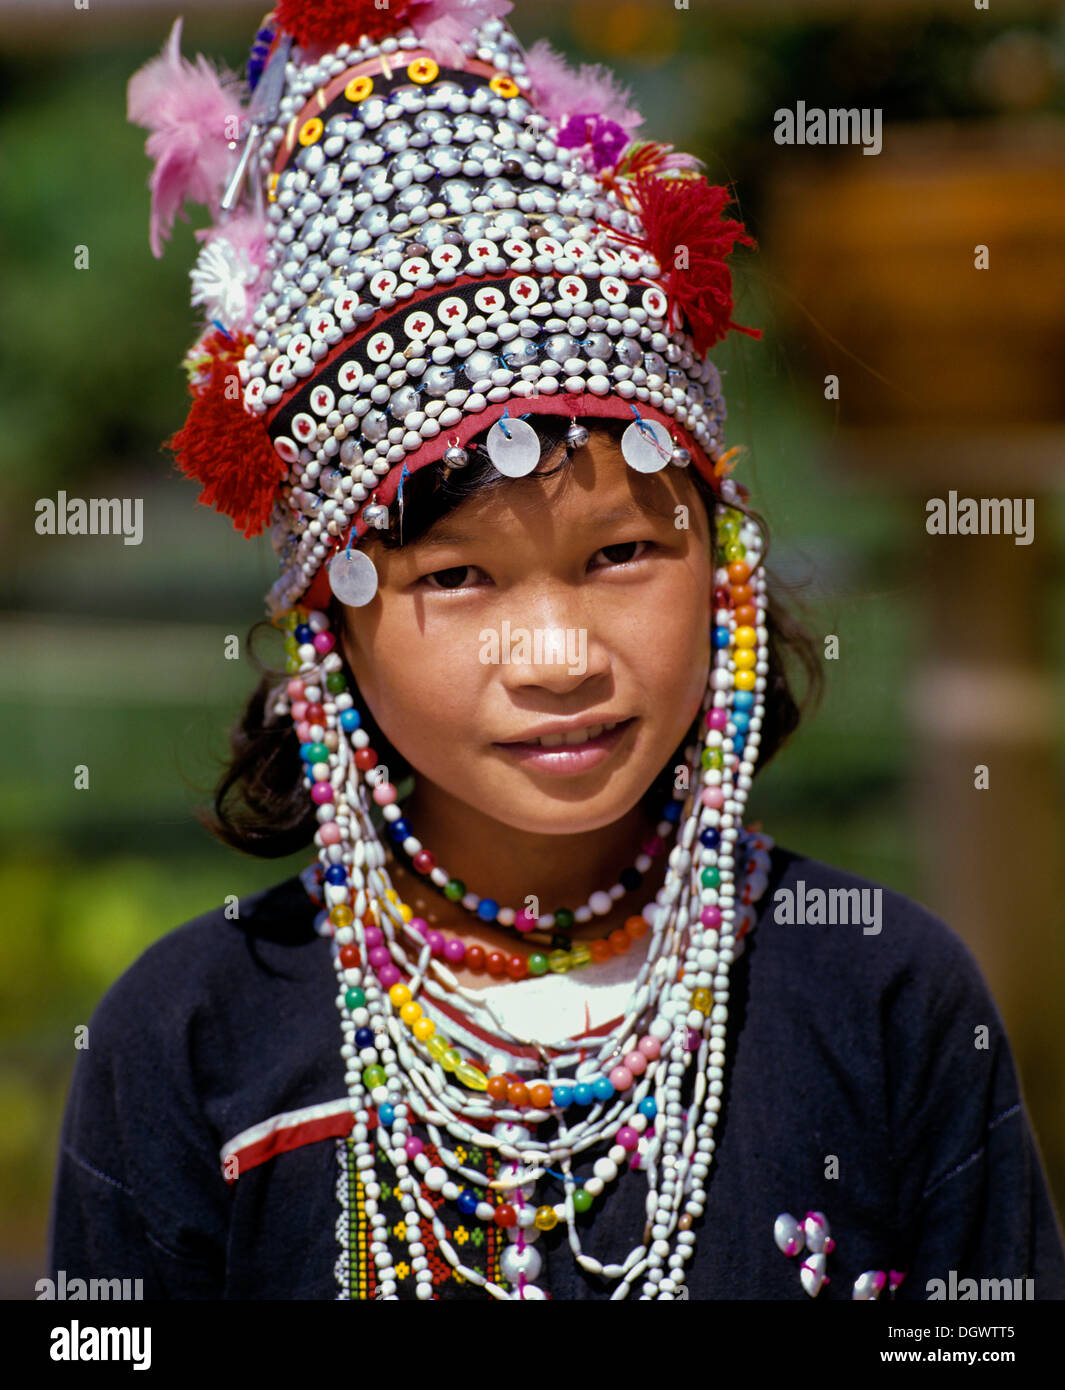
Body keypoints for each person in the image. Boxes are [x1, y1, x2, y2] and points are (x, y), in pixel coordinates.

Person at [47, 0, 1065, 1301]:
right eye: (457, 577)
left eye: (620, 555)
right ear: (329, 631)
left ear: (725, 566)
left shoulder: (879, 991)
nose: (556, 651)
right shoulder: (190, 1040)